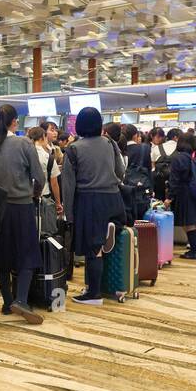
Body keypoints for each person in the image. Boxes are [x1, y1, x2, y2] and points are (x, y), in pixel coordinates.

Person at [0, 104, 44, 324]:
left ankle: (7, 302)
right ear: (15, 121)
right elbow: (39, 178)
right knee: (27, 254)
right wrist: (33, 193)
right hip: (22, 206)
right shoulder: (24, 143)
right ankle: (21, 300)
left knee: (1, 257)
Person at [58, 107, 127, 305]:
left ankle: (93, 294)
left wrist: (69, 214)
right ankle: (100, 286)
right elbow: (121, 172)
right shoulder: (109, 142)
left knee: (93, 248)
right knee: (105, 245)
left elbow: (69, 185)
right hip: (114, 200)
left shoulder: (74, 148)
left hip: (89, 202)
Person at [166, 135, 196, 260]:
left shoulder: (178, 158)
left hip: (185, 193)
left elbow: (174, 180)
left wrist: (169, 197)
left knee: (189, 222)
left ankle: (194, 251)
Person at [29, 125, 64, 219]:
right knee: (45, 227)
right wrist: (58, 203)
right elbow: (54, 183)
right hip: (44, 196)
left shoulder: (24, 154)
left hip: (26, 197)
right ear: (42, 137)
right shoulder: (48, 157)